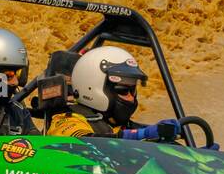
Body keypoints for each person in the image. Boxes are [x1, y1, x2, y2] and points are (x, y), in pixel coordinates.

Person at [46, 45, 181, 141]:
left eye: (132, 90)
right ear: (92, 88)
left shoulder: (115, 123)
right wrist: (141, 134)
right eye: (123, 90)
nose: (131, 98)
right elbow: (81, 144)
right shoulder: (66, 120)